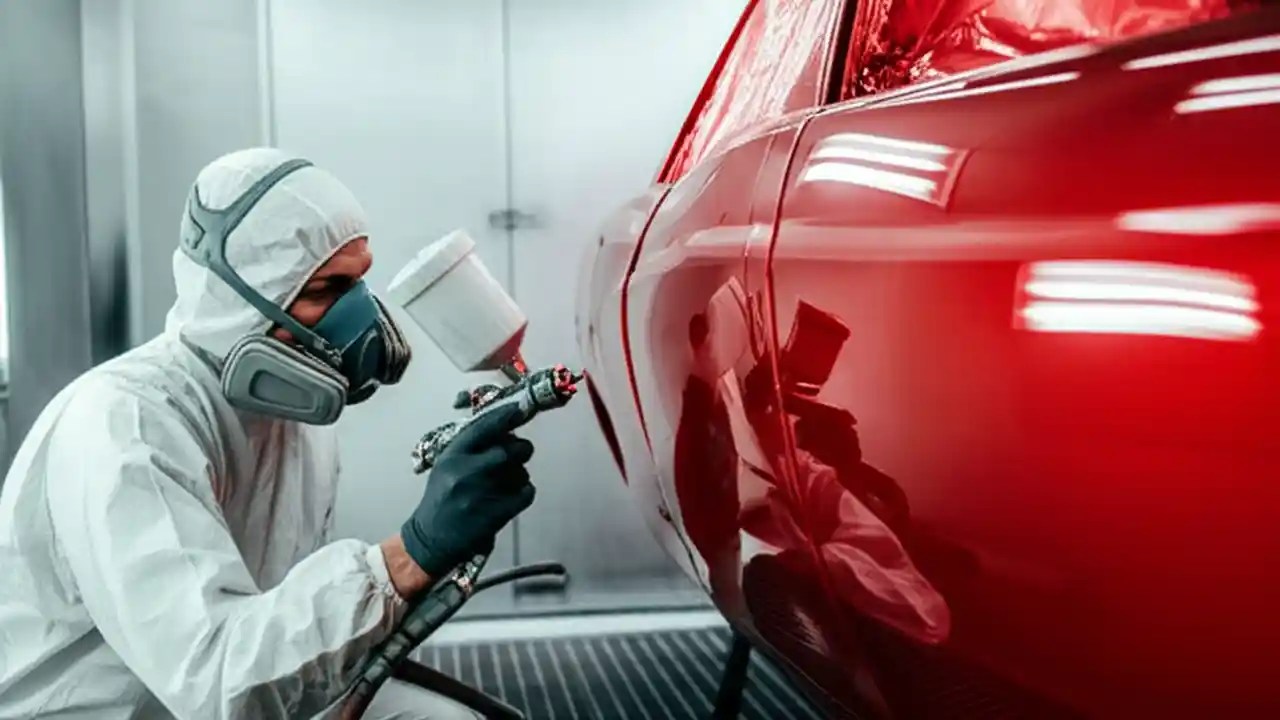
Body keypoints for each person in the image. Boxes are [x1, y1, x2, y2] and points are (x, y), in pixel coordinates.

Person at [0, 148, 537, 719]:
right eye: (328, 290)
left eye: (359, 282)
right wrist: (409, 555)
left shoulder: (294, 424)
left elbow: (280, 637)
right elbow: (214, 681)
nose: (359, 317)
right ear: (242, 302)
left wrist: (424, 557)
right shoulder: (126, 424)